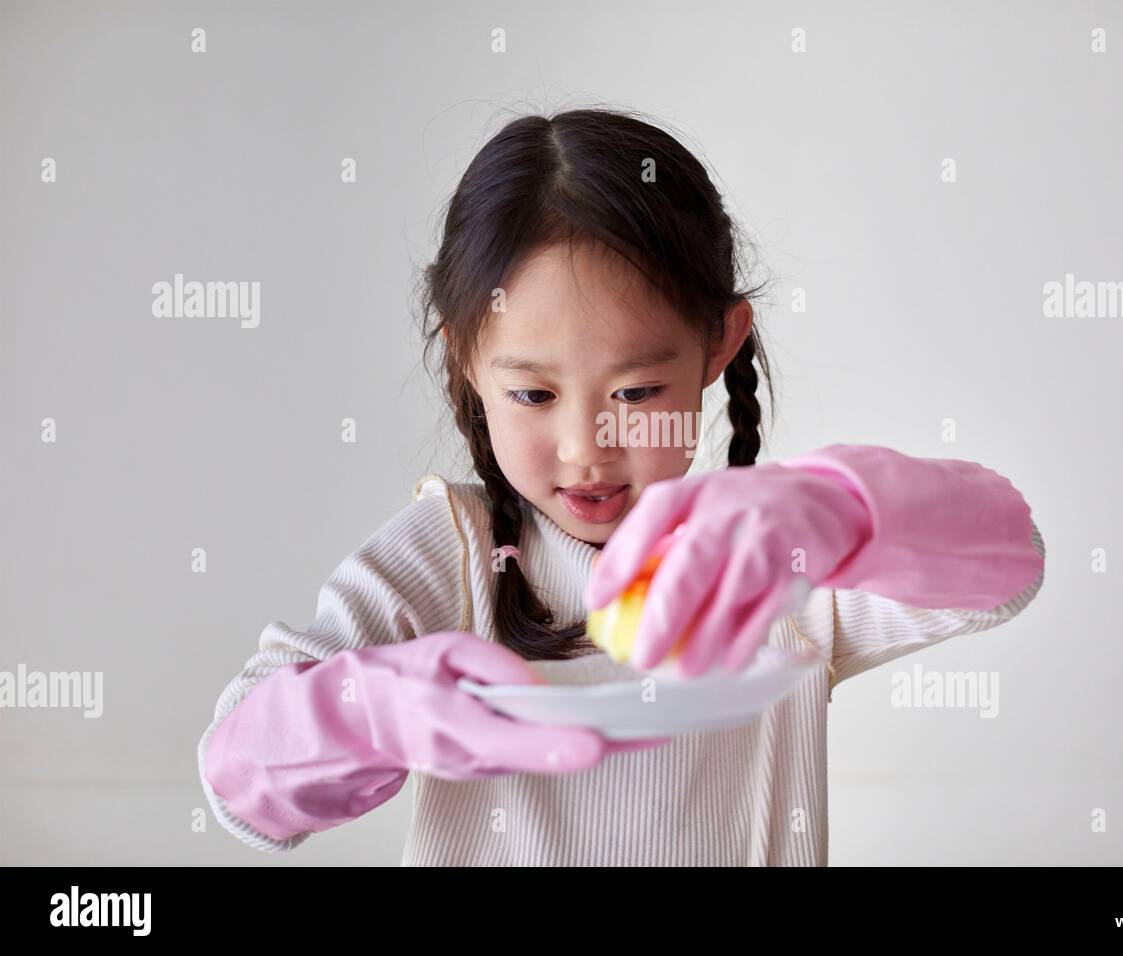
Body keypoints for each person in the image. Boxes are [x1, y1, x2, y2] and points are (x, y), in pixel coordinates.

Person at [197, 107, 1046, 865]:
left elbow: (1006, 572)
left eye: (636, 393)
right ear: (465, 356)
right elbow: (240, 787)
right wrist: (365, 711)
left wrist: (847, 513)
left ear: (719, 343)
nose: (586, 450)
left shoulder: (771, 559)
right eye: (533, 394)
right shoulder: (448, 555)